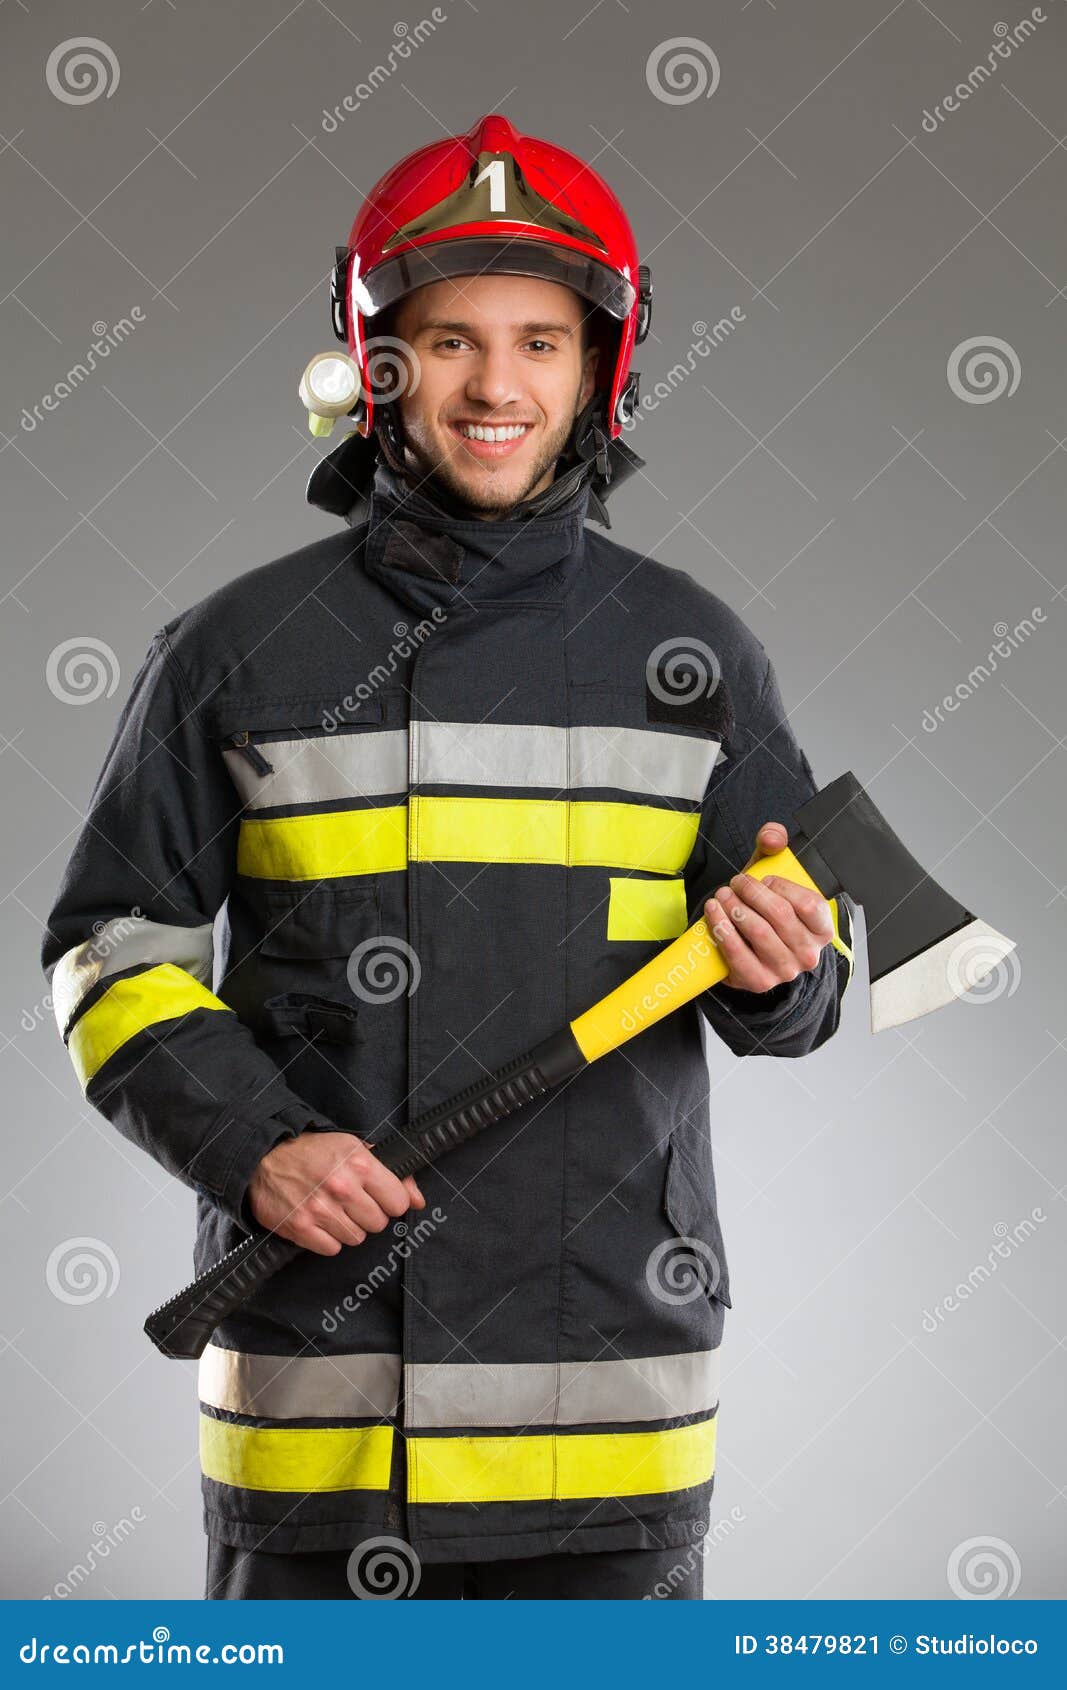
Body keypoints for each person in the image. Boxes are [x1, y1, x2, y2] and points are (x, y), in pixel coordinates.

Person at [42, 113, 854, 1601]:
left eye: (542, 340)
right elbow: (112, 959)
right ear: (375, 364)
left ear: (601, 367)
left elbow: (803, 975)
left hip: (607, 1435)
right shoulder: (234, 651)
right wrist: (255, 1144)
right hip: (323, 1425)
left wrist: (788, 968)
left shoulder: (691, 652)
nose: (497, 384)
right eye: (450, 338)